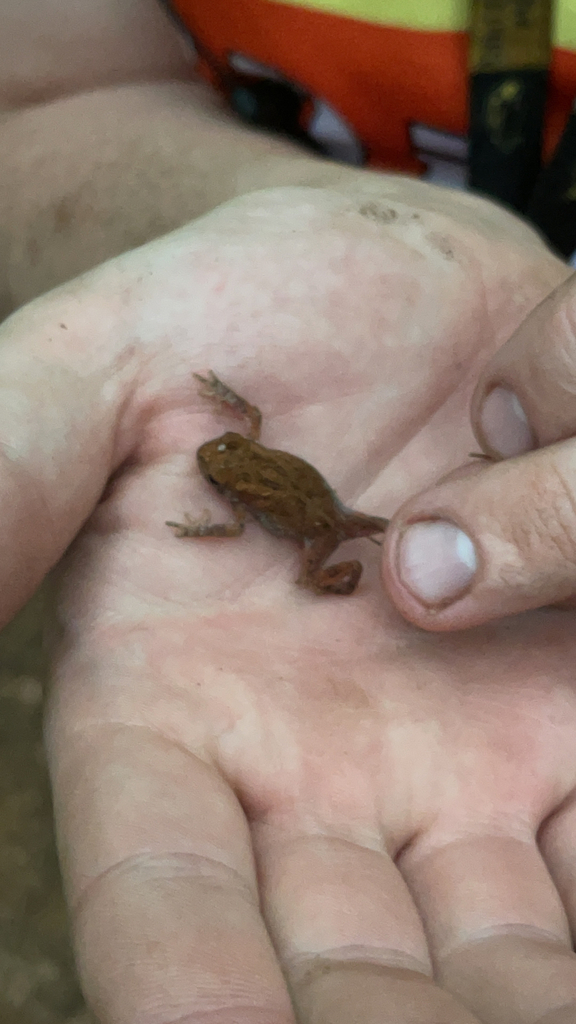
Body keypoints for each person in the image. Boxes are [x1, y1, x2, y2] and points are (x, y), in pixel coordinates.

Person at [3, 3, 576, 1023]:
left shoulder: (246, 490)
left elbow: (244, 500)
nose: (213, 470)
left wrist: (259, 534)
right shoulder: (244, 462)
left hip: (326, 515)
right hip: (325, 492)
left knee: (342, 548)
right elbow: (37, 98)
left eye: (217, 472)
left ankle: (349, 575)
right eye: (220, 464)